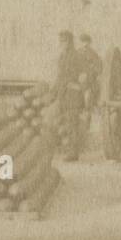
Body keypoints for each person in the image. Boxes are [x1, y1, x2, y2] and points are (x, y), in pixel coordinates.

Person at [53, 31, 87, 163]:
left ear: (70, 42)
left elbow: (86, 73)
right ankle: (69, 149)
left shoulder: (77, 56)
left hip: (73, 94)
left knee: (73, 123)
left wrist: (80, 87)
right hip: (64, 94)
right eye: (61, 41)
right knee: (67, 123)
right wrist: (54, 90)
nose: (62, 43)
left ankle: (73, 153)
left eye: (64, 41)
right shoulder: (62, 57)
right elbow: (60, 76)